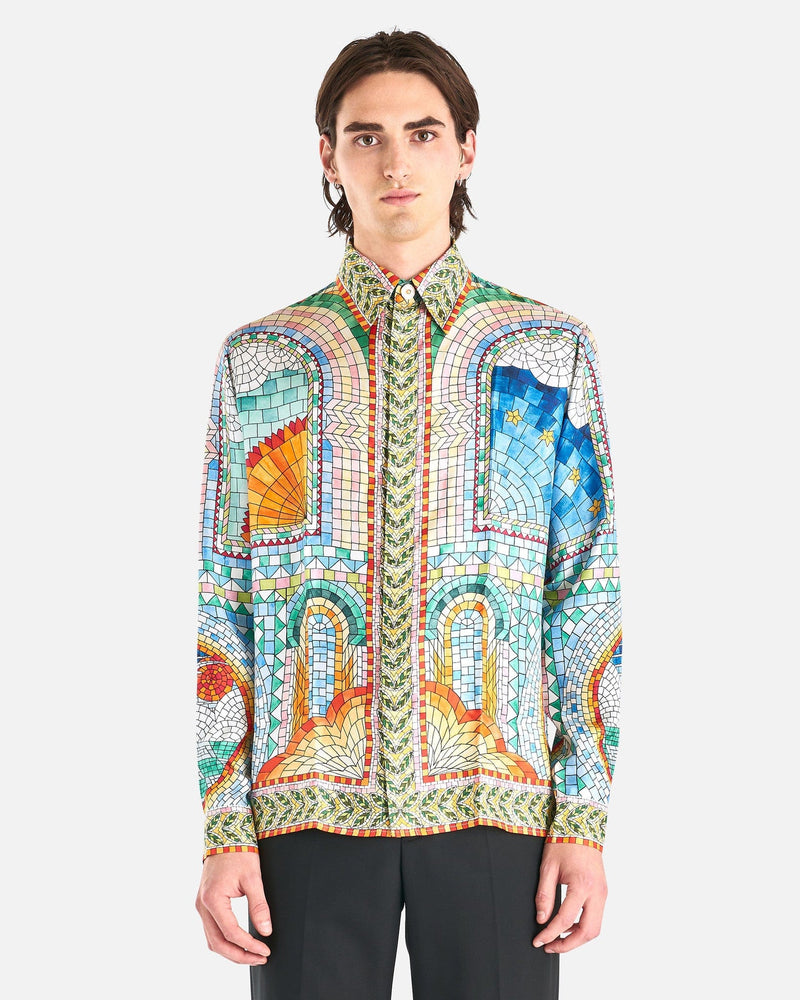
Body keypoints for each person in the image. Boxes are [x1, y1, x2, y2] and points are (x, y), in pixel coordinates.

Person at [195, 27, 623, 1000]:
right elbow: (227, 599)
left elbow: (584, 593)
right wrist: (224, 827)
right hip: (305, 809)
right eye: (367, 136)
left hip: (497, 805)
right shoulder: (263, 361)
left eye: (422, 133)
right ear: (328, 156)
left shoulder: (544, 350)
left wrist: (583, 819)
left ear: (466, 149)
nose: (395, 162)